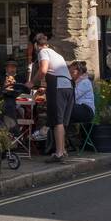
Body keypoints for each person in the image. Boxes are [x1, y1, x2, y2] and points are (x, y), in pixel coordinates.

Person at [33, 33, 74, 163]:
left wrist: (31, 82)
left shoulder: (43, 52)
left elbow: (43, 70)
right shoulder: (56, 54)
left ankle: (59, 153)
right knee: (62, 121)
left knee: (57, 121)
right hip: (68, 87)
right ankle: (63, 150)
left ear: (35, 45)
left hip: (58, 87)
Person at [69, 61, 96, 130]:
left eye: (72, 72)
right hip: (80, 109)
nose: (70, 75)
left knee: (64, 108)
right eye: (70, 72)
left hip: (87, 111)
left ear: (79, 72)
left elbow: (73, 96)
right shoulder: (77, 82)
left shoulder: (85, 82)